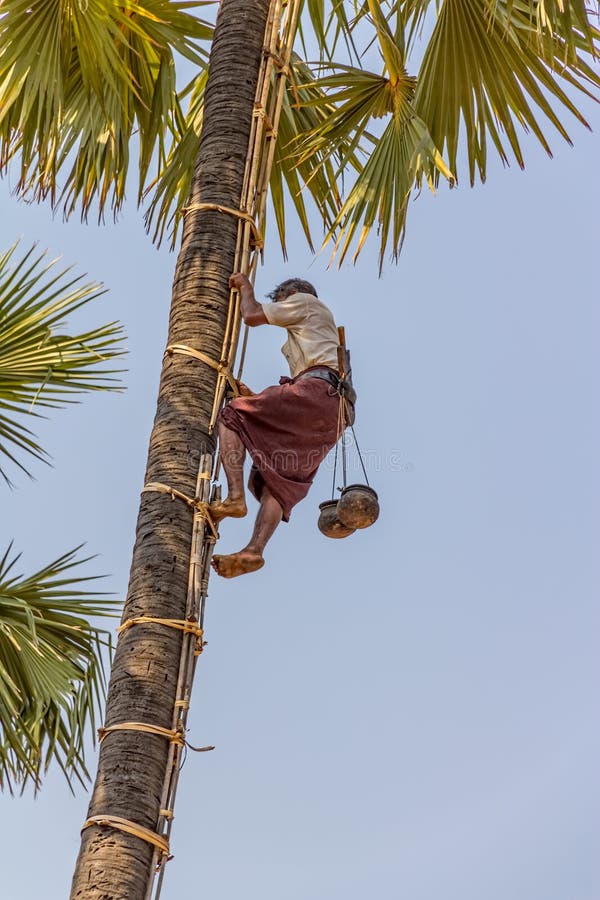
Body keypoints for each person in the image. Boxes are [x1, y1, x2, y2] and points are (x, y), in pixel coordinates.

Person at [210, 272, 354, 578]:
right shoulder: (317, 327)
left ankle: (235, 497)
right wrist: (258, 398)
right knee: (279, 480)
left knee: (233, 414)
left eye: (279, 301)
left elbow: (251, 315)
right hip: (334, 413)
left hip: (316, 394)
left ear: (289, 294)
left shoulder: (304, 302)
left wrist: (245, 288)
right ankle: (254, 551)